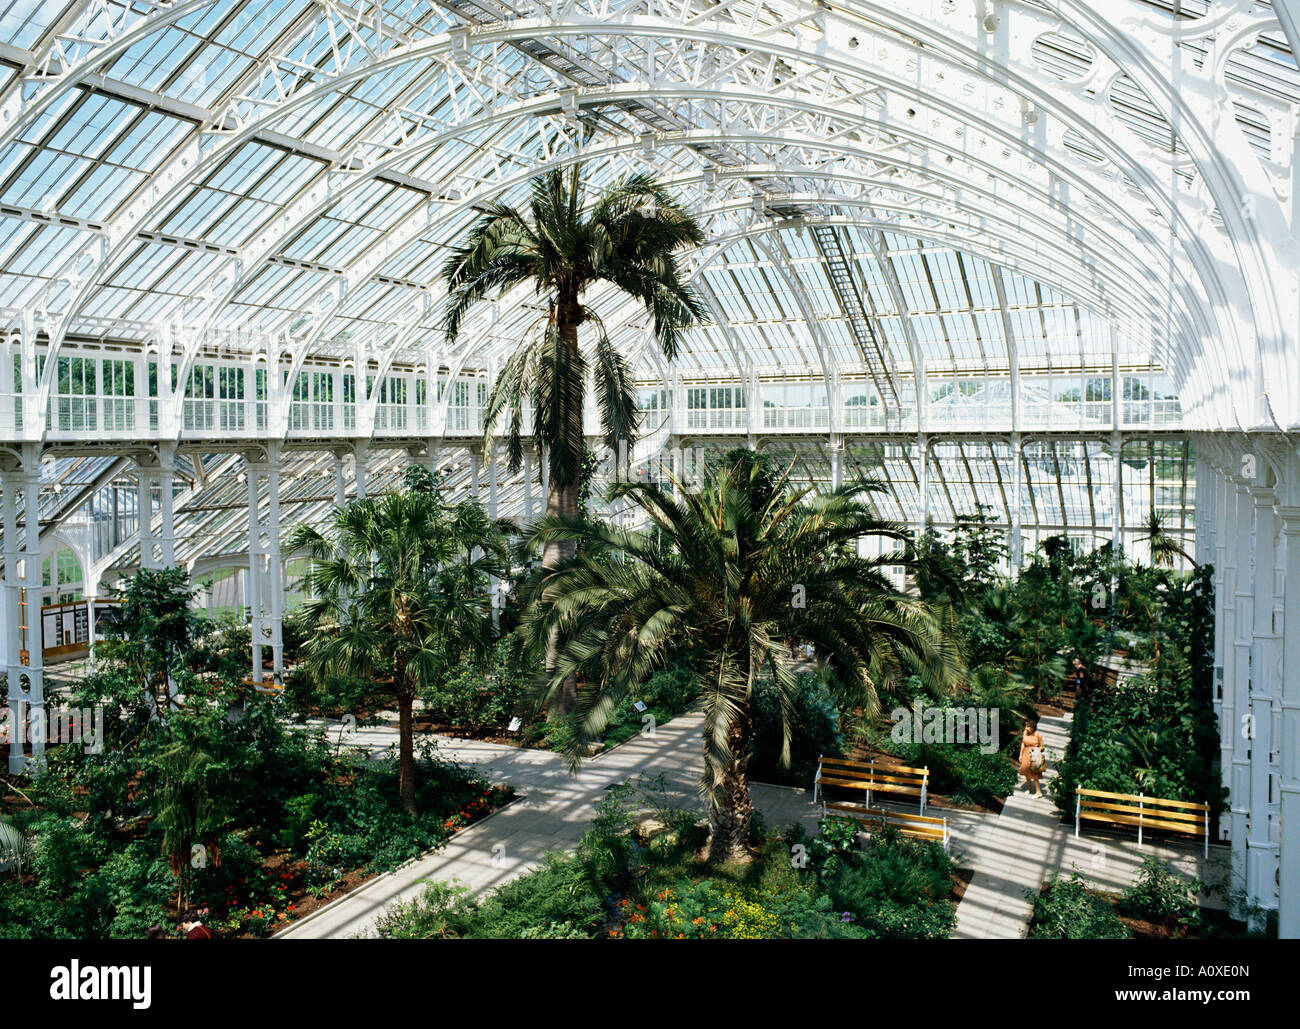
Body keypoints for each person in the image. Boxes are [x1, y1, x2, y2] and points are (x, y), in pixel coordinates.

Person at [1018, 718, 1046, 797]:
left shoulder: (1038, 735)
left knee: (1034, 773)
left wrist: (1036, 749)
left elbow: (1042, 746)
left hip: (1034, 755)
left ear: (1033, 728)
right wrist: (1021, 755)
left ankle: (1038, 792)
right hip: (1026, 754)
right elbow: (1023, 744)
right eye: (1026, 726)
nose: (1026, 728)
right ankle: (1029, 789)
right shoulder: (1025, 733)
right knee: (1026, 772)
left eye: (1028, 727)